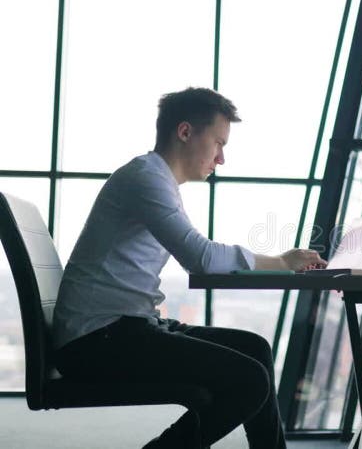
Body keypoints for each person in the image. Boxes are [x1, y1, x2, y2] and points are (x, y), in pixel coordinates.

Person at [52, 87, 325, 449]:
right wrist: (280, 262)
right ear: (185, 132)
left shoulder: (156, 180)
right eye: (218, 143)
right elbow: (202, 257)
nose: (222, 158)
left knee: (254, 349)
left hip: (123, 328)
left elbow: (201, 255)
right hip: (98, 341)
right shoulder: (146, 179)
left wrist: (281, 262)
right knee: (249, 380)